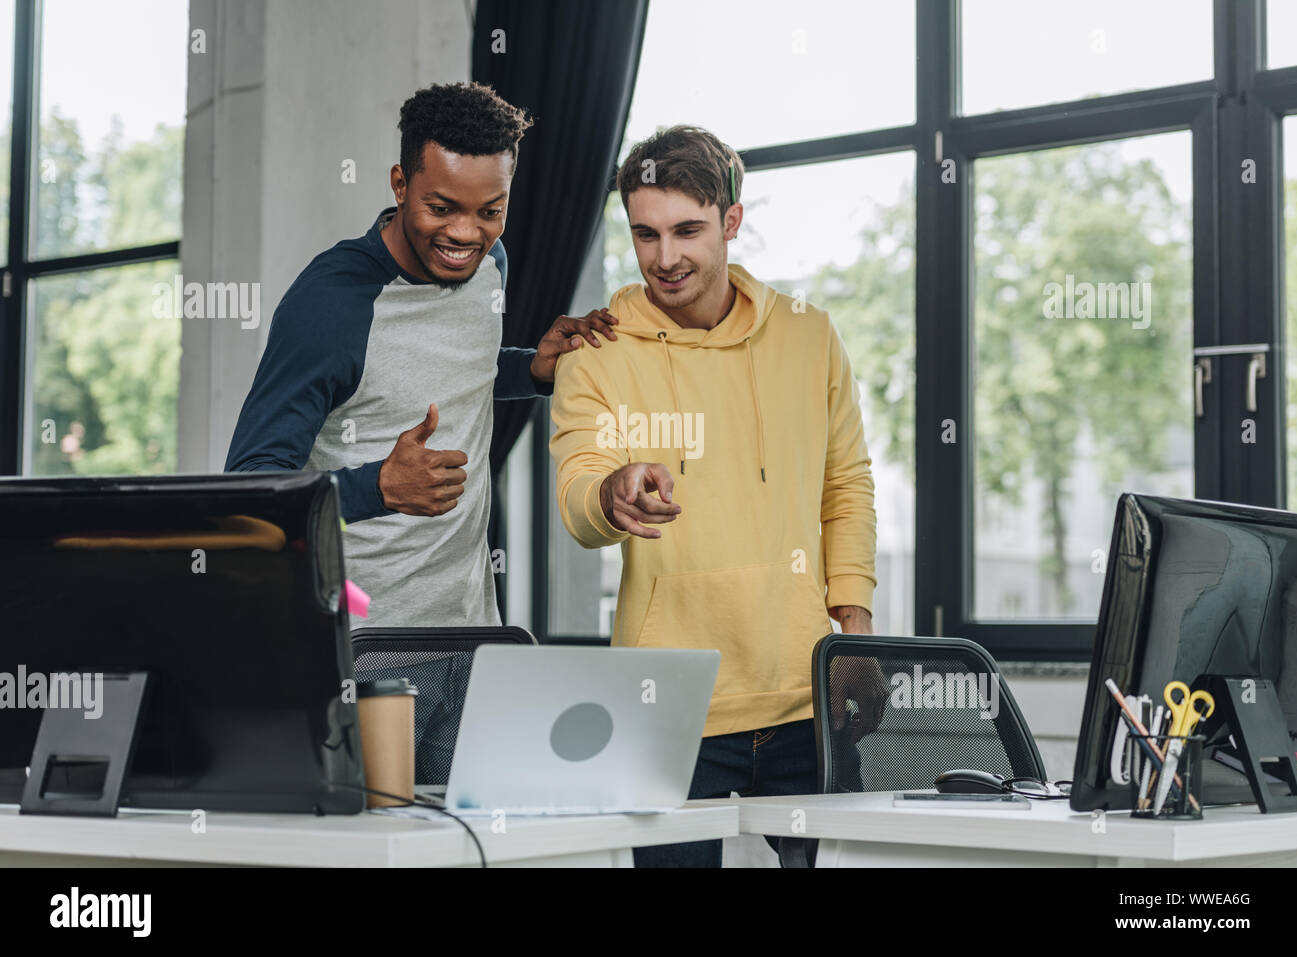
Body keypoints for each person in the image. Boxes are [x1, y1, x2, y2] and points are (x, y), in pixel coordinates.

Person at [549, 125, 885, 866]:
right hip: (662, 708)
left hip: (805, 699)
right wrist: (611, 493)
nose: (664, 257)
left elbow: (846, 485)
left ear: (732, 221)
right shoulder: (597, 351)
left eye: (687, 230)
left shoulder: (809, 336)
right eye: (645, 233)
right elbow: (578, 491)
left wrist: (852, 631)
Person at [226, 81, 615, 631]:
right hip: (353, 642)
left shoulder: (489, 264)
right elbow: (250, 494)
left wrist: (529, 368)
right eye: (442, 207)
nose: (464, 234)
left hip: (466, 630)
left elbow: (443, 367)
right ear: (400, 184)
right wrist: (377, 488)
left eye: (490, 210)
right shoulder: (331, 304)